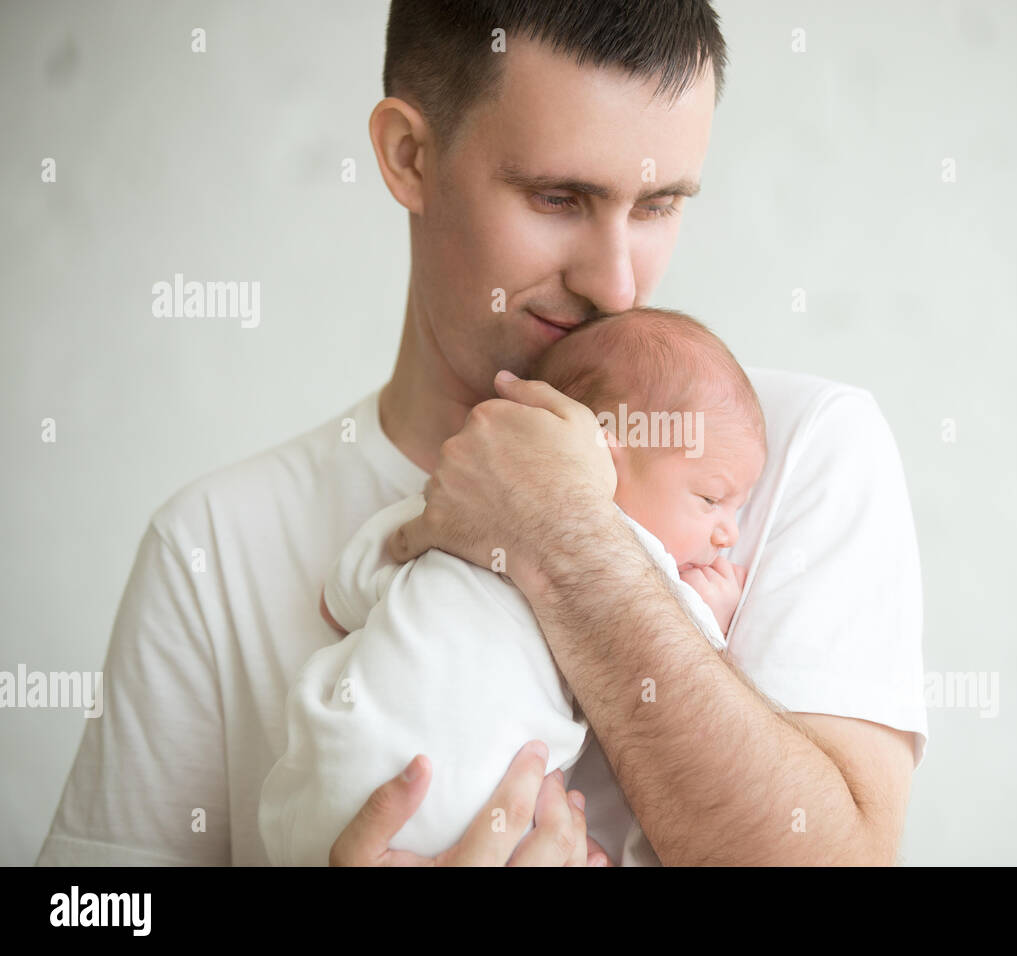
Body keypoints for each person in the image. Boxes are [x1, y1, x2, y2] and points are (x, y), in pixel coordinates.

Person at [37, 0, 927, 867]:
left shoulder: (791, 454)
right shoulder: (211, 547)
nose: (616, 286)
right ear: (408, 155)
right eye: (558, 197)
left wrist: (565, 537)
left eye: (657, 205)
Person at [259, 308, 765, 866]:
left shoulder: (451, 504)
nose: (730, 532)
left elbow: (346, 592)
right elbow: (673, 675)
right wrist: (711, 619)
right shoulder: (643, 570)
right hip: (461, 810)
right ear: (605, 456)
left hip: (312, 787)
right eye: (711, 498)